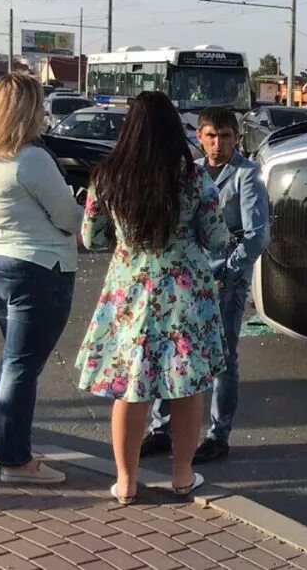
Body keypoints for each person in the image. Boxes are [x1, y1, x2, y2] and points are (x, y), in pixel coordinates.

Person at [76, 91, 230, 502]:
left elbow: (92, 238)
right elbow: (216, 238)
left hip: (129, 292)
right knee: (187, 384)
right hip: (185, 291)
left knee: (131, 385)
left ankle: (125, 481)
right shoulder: (194, 178)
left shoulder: (107, 176)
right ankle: (182, 474)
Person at [0, 73, 83, 484]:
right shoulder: (30, 159)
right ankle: (16, 460)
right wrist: (87, 212)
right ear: (27, 110)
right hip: (37, 268)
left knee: (13, 360)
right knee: (23, 366)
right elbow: (67, 219)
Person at [141, 106, 269, 464]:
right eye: (211, 136)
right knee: (175, 351)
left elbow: (256, 235)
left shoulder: (247, 176)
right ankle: (161, 429)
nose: (218, 144)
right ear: (199, 137)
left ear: (236, 138)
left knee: (223, 360)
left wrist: (229, 269)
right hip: (187, 278)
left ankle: (218, 435)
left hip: (226, 280)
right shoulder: (192, 173)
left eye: (225, 136)